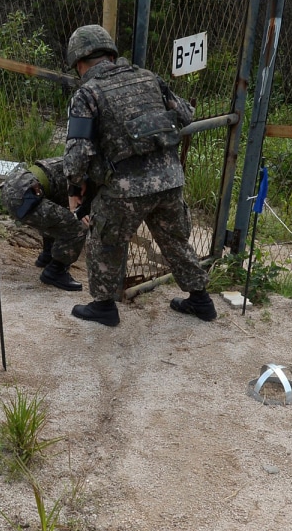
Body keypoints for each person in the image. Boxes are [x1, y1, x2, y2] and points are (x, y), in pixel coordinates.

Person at [60, 24, 216, 327]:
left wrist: (74, 189)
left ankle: (104, 306)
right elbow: (186, 113)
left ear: (79, 63)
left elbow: (77, 153)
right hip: (169, 180)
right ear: (110, 53)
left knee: (104, 240)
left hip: (125, 189)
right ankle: (201, 301)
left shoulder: (87, 93)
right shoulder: (149, 78)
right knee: (175, 241)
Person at [0, 155, 86, 292]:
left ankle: (47, 256)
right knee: (77, 227)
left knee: (56, 215)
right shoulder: (83, 170)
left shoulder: (72, 160)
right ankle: (55, 271)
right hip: (26, 197)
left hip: (13, 189)